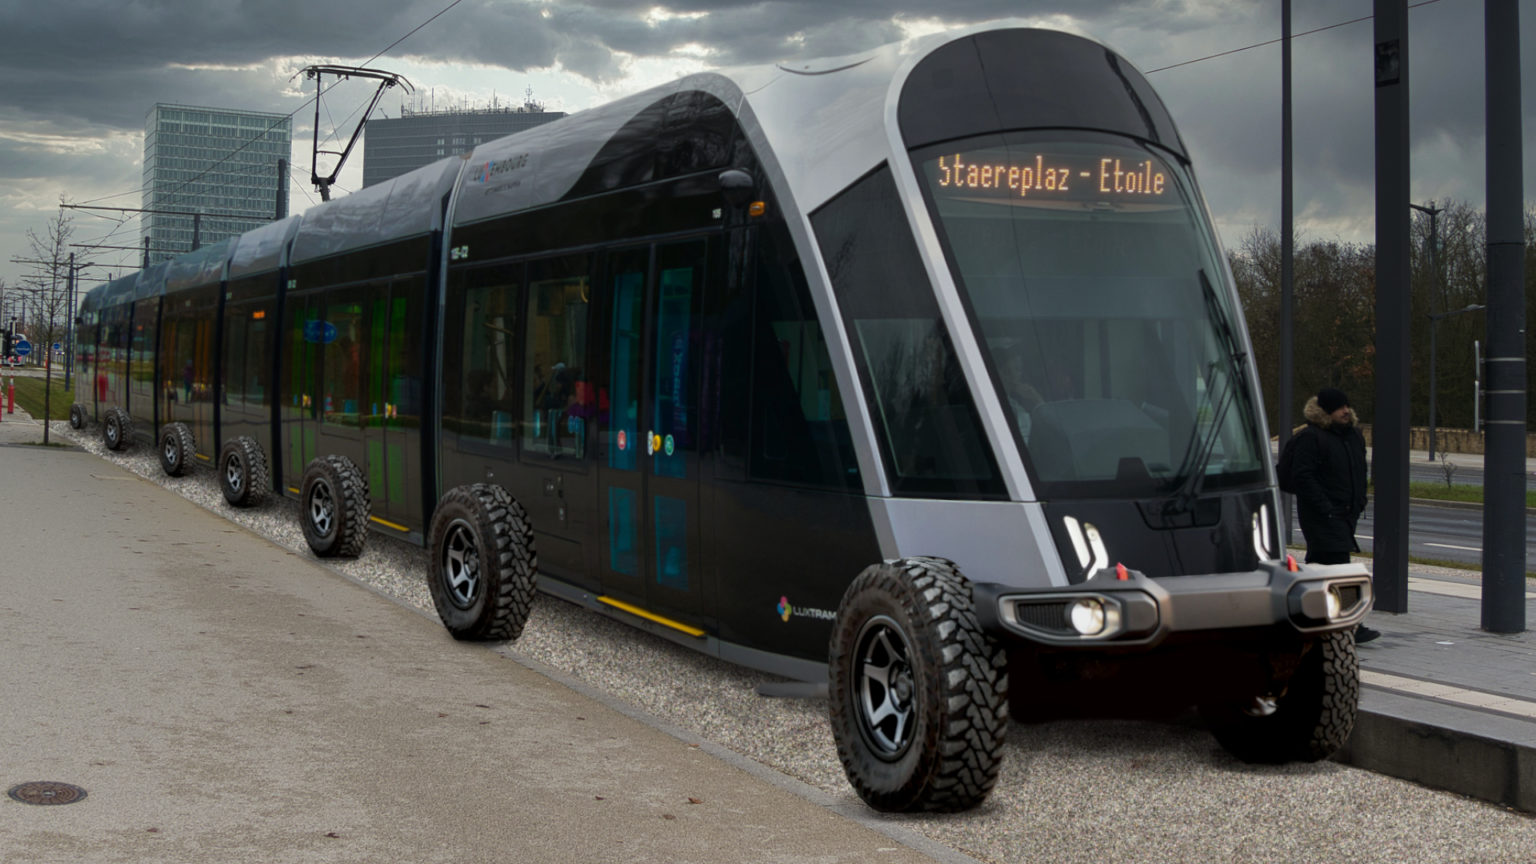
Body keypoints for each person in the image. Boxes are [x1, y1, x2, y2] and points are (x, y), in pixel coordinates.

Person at [1292, 386, 1379, 644]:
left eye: (1346, 406)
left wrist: (1359, 501)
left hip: (1346, 514)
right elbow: (1302, 476)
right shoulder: (1311, 437)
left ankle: (1311, 617)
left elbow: (1359, 470)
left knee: (1322, 567)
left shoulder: (1352, 435)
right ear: (1327, 411)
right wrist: (1325, 507)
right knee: (1341, 569)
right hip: (1322, 515)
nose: (1345, 411)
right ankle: (1350, 625)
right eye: (1339, 407)